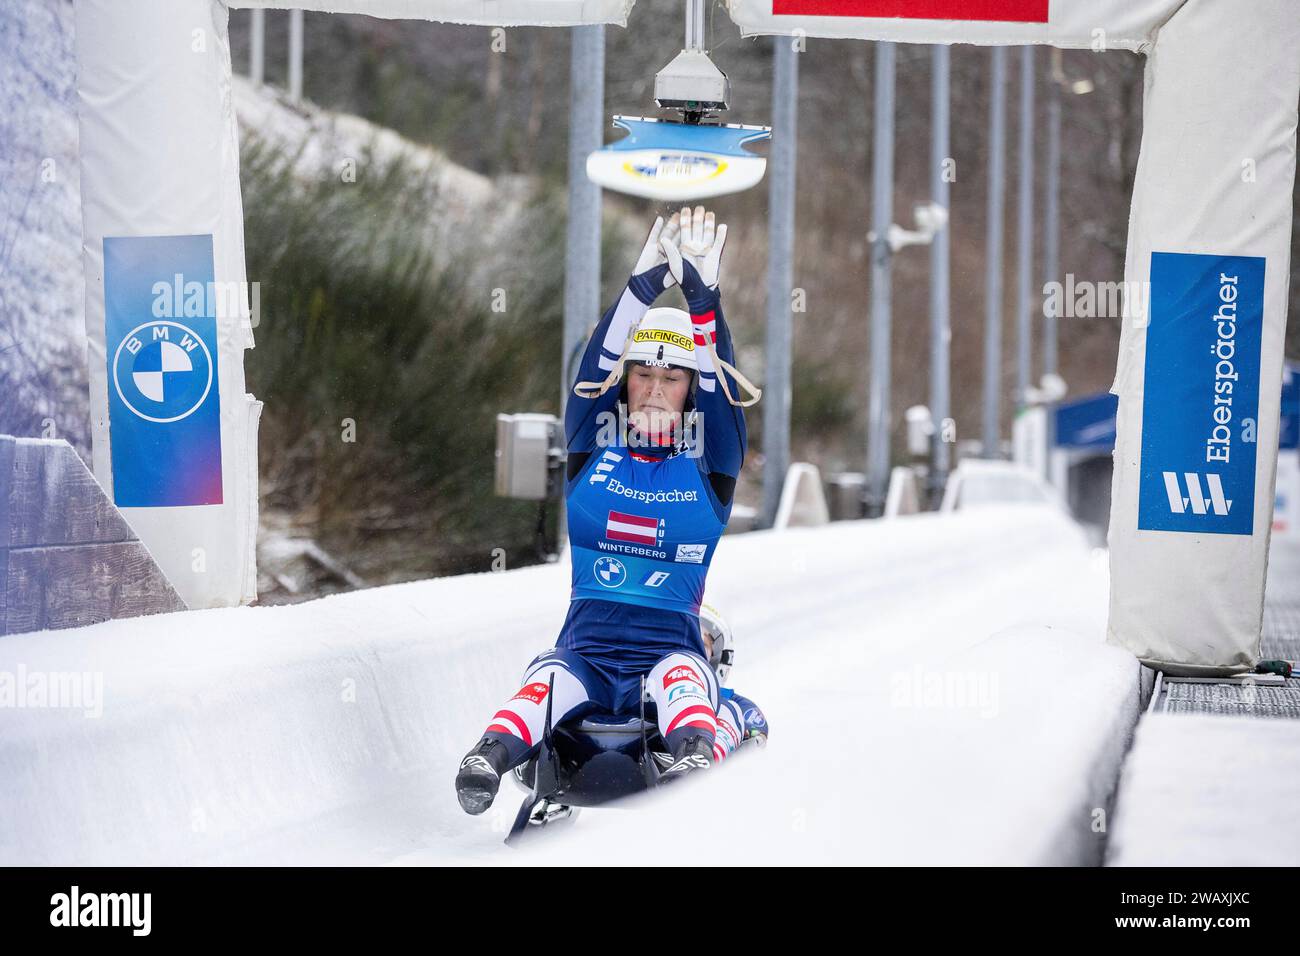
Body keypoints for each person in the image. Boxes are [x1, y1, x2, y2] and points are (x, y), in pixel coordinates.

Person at [455, 207, 765, 815]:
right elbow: (588, 374)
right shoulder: (591, 449)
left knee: (682, 676)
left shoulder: (710, 467)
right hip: (585, 661)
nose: (653, 389)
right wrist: (641, 286)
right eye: (642, 375)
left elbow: (724, 394)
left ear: (688, 391)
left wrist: (703, 297)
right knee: (547, 677)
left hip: (666, 668)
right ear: (625, 384)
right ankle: (486, 755)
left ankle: (696, 753)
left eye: (671, 379)